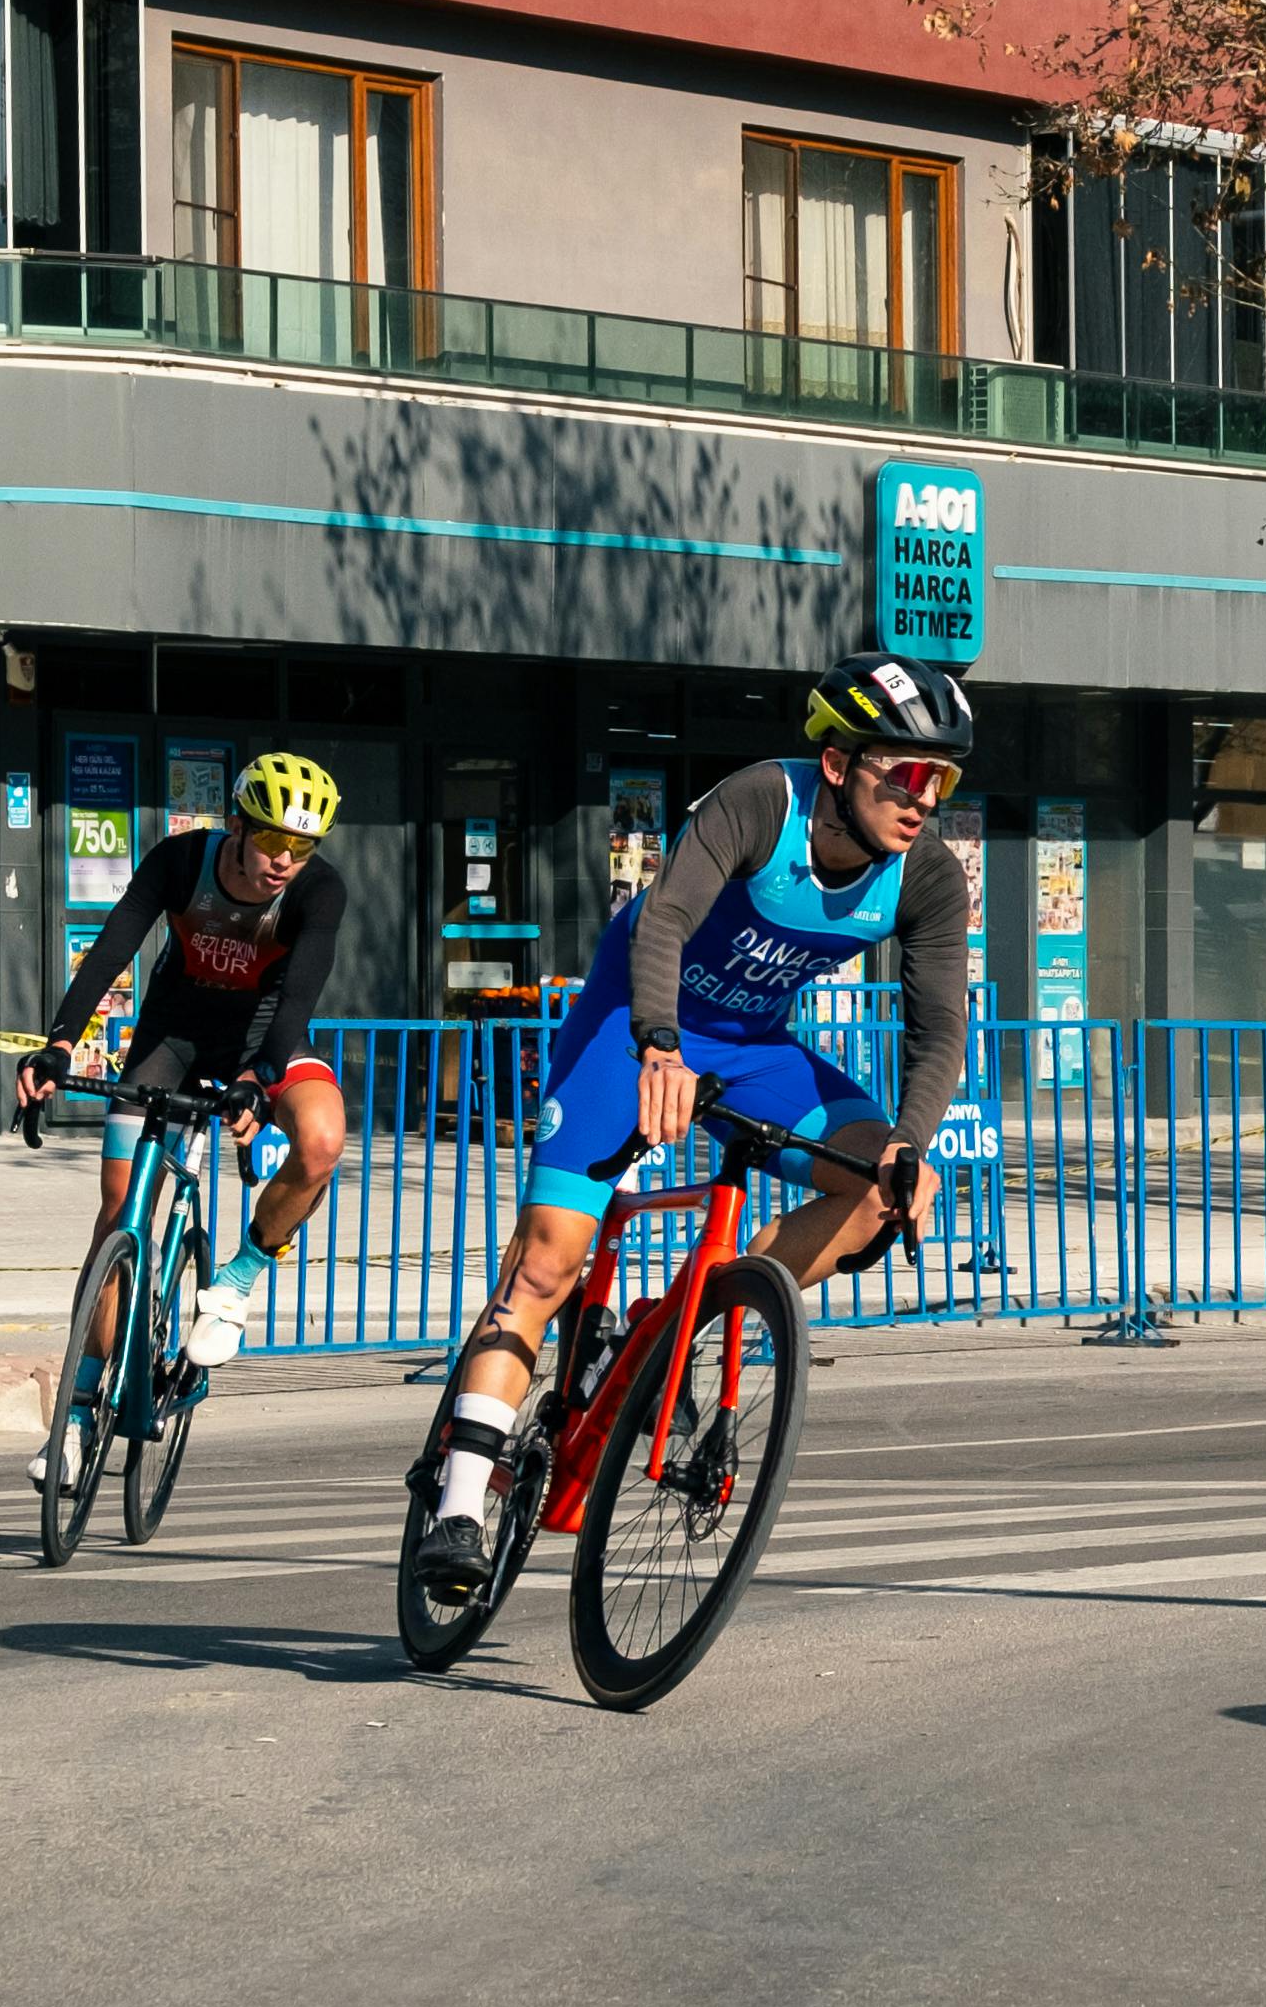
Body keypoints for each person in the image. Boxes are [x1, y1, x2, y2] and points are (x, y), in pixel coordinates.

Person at [407, 655, 976, 1598]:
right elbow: (664, 919)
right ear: (837, 763)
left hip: (753, 1045)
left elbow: (939, 1028)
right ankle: (461, 1504)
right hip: (633, 1026)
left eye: (942, 779)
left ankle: (690, 1320)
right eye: (906, 772)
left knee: (884, 1187)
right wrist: (660, 1049)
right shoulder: (763, 801)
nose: (925, 798)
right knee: (549, 1261)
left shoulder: (925, 878)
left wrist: (910, 1142)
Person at [14, 752, 353, 1485]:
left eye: (302, 847)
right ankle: (72, 1418)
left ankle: (236, 1278)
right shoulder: (178, 861)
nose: (285, 862)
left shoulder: (319, 891)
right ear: (238, 824)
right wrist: (59, 1043)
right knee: (119, 1217)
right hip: (170, 1037)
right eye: (273, 842)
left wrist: (258, 1083)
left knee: (323, 1140)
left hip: (264, 1041)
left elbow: (297, 996)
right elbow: (110, 951)